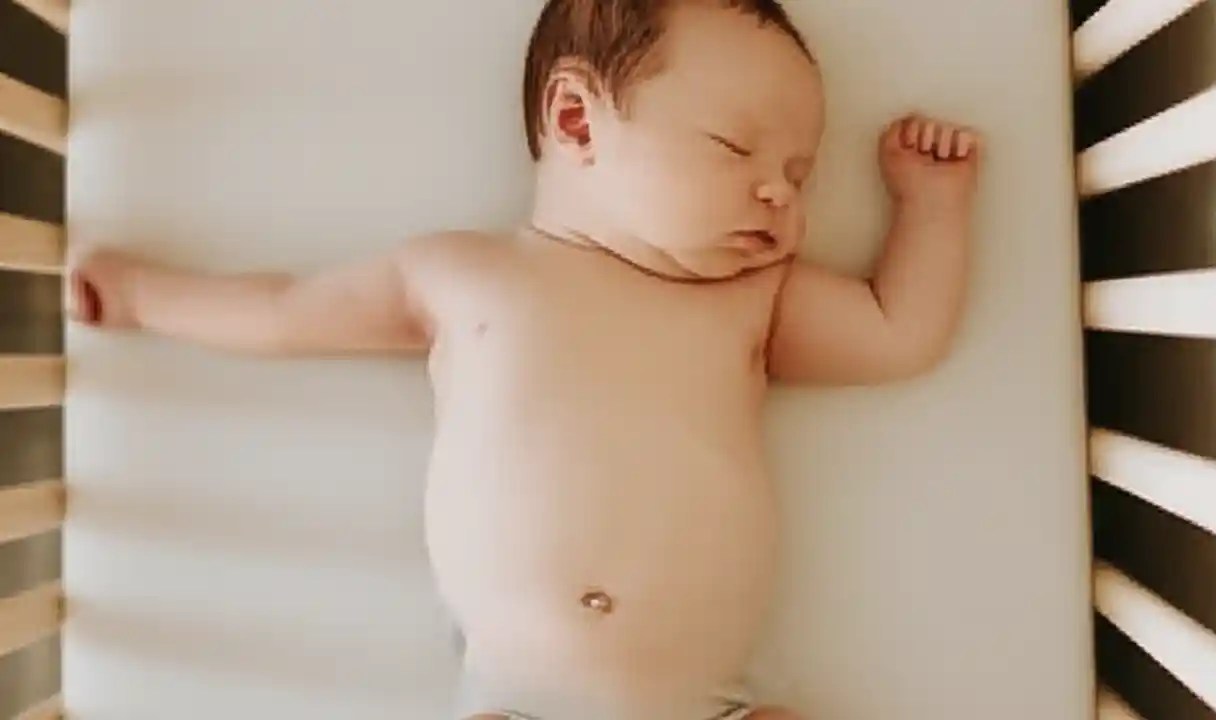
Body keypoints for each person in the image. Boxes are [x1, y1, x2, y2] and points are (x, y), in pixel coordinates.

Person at [69, 1, 981, 717]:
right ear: (577, 120)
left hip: (718, 708)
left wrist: (931, 206)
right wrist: (145, 296)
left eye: (801, 170)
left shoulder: (754, 296)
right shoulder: (465, 277)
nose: (778, 191)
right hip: (516, 706)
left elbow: (896, 331)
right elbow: (285, 311)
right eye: (737, 147)